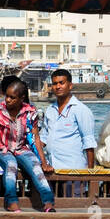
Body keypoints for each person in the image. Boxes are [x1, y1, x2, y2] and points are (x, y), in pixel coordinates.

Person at [0, 79, 56, 213]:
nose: (8, 100)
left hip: (21, 148)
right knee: (11, 165)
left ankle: (48, 202)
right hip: (3, 149)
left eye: (12, 97)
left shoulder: (30, 112)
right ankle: (11, 202)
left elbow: (35, 138)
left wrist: (43, 162)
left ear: (22, 98)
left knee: (36, 167)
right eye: (7, 96)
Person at [42, 67, 97, 197]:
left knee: (74, 206)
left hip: (73, 170)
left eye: (62, 83)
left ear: (70, 85)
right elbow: (43, 137)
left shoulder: (81, 110)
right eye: (55, 83)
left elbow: (88, 143)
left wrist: (89, 175)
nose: (58, 86)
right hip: (52, 169)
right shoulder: (50, 110)